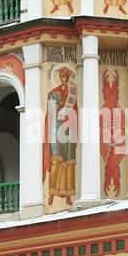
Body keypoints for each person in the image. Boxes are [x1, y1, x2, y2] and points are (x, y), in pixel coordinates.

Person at [43, 66, 77, 205]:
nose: (64, 79)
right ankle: (52, 193)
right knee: (56, 160)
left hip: (68, 129)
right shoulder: (54, 93)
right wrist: (57, 107)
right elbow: (51, 112)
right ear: (59, 77)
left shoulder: (72, 91)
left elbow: (75, 110)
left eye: (66, 77)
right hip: (56, 129)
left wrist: (70, 111)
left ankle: (68, 195)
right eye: (62, 76)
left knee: (69, 163)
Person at [99, 68, 126, 198]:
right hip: (107, 140)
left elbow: (122, 127)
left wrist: (116, 136)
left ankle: (113, 179)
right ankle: (111, 178)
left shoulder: (118, 112)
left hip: (117, 142)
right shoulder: (104, 111)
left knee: (113, 162)